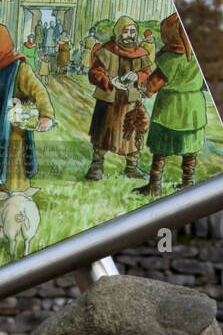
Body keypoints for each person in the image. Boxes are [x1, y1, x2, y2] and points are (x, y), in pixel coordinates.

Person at [0, 23, 54, 211]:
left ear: (2, 42)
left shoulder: (18, 68)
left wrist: (46, 115)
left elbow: (39, 91)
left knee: (10, 167)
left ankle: (10, 200)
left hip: (9, 130)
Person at [132, 13, 208, 197]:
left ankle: (155, 185)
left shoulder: (172, 57)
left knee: (160, 150)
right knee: (190, 150)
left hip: (170, 108)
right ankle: (188, 183)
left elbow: (155, 82)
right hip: (194, 108)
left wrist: (143, 89)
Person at [85, 15, 152, 180]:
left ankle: (132, 167)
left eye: (133, 31)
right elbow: (94, 74)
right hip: (109, 100)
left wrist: (137, 76)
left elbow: (147, 73)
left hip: (130, 102)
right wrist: (110, 81)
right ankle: (96, 166)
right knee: (103, 133)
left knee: (133, 131)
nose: (130, 35)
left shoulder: (140, 53)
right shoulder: (107, 51)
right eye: (126, 31)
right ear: (118, 32)